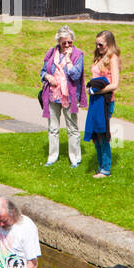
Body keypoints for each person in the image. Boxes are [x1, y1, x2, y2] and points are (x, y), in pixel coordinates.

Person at [40, 25, 85, 167]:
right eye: (63, 42)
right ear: (59, 41)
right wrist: (47, 76)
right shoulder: (51, 52)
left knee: (72, 129)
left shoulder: (78, 54)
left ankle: (75, 159)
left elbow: (76, 75)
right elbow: (42, 71)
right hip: (53, 95)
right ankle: (52, 157)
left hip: (69, 97)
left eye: (69, 42)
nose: (66, 45)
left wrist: (68, 59)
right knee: (53, 128)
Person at [83, 29, 121, 178]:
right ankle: (100, 166)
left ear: (109, 44)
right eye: (96, 44)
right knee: (96, 135)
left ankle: (106, 169)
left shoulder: (112, 58)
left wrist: (96, 92)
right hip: (95, 100)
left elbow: (115, 84)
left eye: (101, 45)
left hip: (105, 101)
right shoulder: (99, 56)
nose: (98, 47)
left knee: (102, 135)